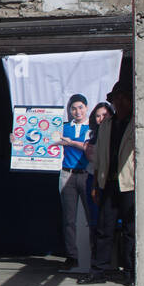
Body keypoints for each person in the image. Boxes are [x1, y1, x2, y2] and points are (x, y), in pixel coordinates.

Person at [79, 83, 135, 286]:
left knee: (131, 229)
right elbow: (100, 157)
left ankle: (130, 271)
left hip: (129, 183)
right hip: (107, 182)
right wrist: (95, 183)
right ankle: (98, 270)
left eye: (124, 98)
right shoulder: (107, 125)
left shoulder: (137, 123)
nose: (120, 102)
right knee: (104, 227)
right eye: (117, 98)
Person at [55, 94, 91, 270]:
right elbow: (45, 140)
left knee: (91, 215)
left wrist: (71, 143)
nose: (77, 111)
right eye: (74, 108)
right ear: (69, 111)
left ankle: (93, 255)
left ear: (86, 108)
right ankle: (72, 255)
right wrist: (16, 139)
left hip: (85, 174)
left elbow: (90, 149)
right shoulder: (63, 127)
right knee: (69, 218)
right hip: (67, 173)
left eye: (80, 107)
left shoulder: (92, 128)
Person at [84, 101, 113, 264]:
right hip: (94, 179)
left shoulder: (116, 133)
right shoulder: (92, 137)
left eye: (104, 115)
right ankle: (96, 261)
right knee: (95, 222)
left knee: (109, 222)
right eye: (97, 116)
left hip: (110, 181)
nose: (101, 119)